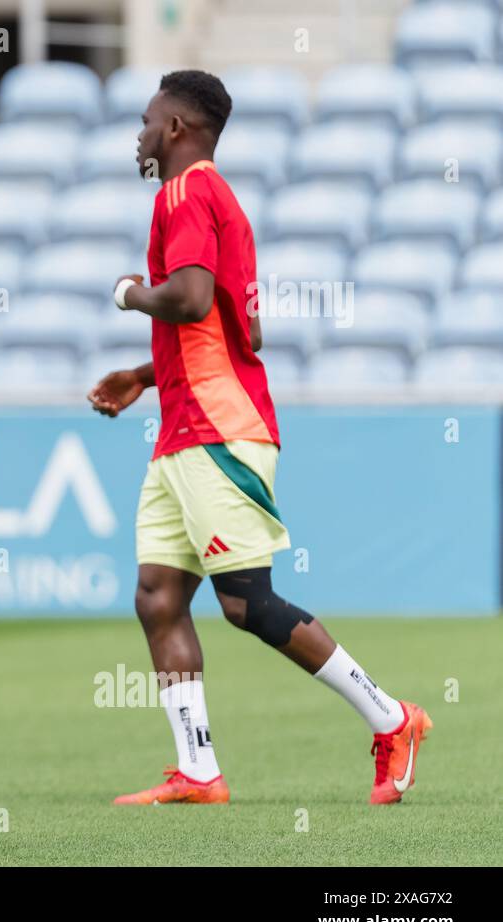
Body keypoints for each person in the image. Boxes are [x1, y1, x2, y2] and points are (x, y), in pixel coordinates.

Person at [89, 70, 431, 806]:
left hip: (218, 430)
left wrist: (126, 292)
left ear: (177, 127)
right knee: (157, 597)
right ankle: (199, 769)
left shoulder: (184, 193)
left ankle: (392, 717)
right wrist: (147, 376)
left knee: (245, 602)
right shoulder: (223, 204)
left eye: (148, 120)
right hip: (183, 427)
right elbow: (244, 329)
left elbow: (186, 297)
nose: (140, 134)